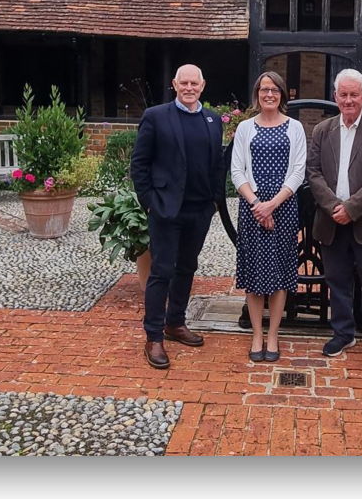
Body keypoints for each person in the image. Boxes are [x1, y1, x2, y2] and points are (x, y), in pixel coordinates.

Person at [129, 64, 229, 369]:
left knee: (187, 267)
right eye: (183, 83)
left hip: (199, 210)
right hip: (165, 209)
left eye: (193, 83)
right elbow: (140, 163)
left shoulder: (212, 119)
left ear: (202, 85)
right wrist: (148, 202)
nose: (188, 88)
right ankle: (154, 337)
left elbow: (216, 165)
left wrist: (214, 201)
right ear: (175, 84)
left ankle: (175, 323)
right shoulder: (156, 116)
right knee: (161, 271)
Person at [305, 68, 362, 368]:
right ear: (335, 96)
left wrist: (352, 208)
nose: (348, 100)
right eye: (343, 94)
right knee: (337, 281)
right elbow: (313, 173)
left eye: (354, 94)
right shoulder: (323, 130)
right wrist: (335, 206)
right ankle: (343, 333)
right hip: (331, 221)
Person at [230, 70, 306, 362]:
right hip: (252, 208)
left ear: (283, 95)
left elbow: (299, 170)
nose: (269, 94)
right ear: (257, 94)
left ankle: (273, 333)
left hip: (284, 207)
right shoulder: (246, 128)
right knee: (254, 272)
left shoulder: (295, 128)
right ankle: (257, 333)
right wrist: (257, 204)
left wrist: (272, 204)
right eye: (264, 90)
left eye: (275, 90)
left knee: (280, 272)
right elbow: (237, 170)